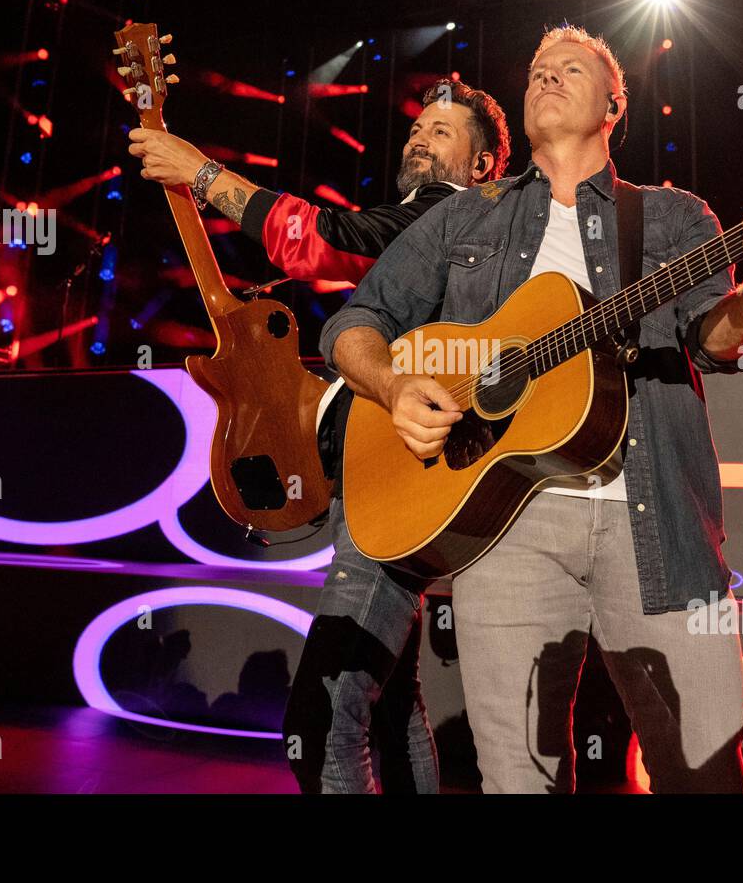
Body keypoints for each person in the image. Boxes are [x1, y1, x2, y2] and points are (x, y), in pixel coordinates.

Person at [319, 25, 743, 792]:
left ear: (615, 104)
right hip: (505, 530)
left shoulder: (670, 215)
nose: (546, 77)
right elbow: (355, 321)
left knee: (706, 776)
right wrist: (392, 386)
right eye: (536, 69)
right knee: (518, 781)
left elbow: (724, 345)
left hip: (656, 523)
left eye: (571, 69)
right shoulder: (462, 216)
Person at [128, 78, 511, 793]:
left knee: (320, 718)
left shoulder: (449, 216)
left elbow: (317, 240)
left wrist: (199, 173)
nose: (418, 137)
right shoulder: (426, 230)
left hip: (393, 486)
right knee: (393, 710)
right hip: (383, 484)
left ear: (485, 165)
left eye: (442, 130)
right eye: (416, 125)